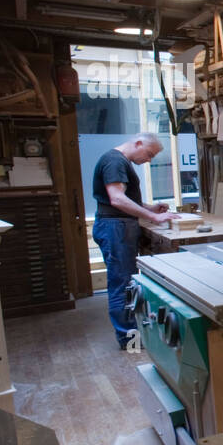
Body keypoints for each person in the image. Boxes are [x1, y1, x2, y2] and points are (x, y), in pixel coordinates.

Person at [91, 132, 176, 349]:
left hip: (118, 227)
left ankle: (132, 333)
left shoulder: (120, 161)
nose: (148, 160)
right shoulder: (115, 161)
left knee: (126, 281)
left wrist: (149, 207)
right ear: (138, 143)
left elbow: (124, 198)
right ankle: (129, 340)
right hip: (115, 228)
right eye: (149, 154)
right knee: (122, 284)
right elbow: (117, 199)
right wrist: (154, 217)